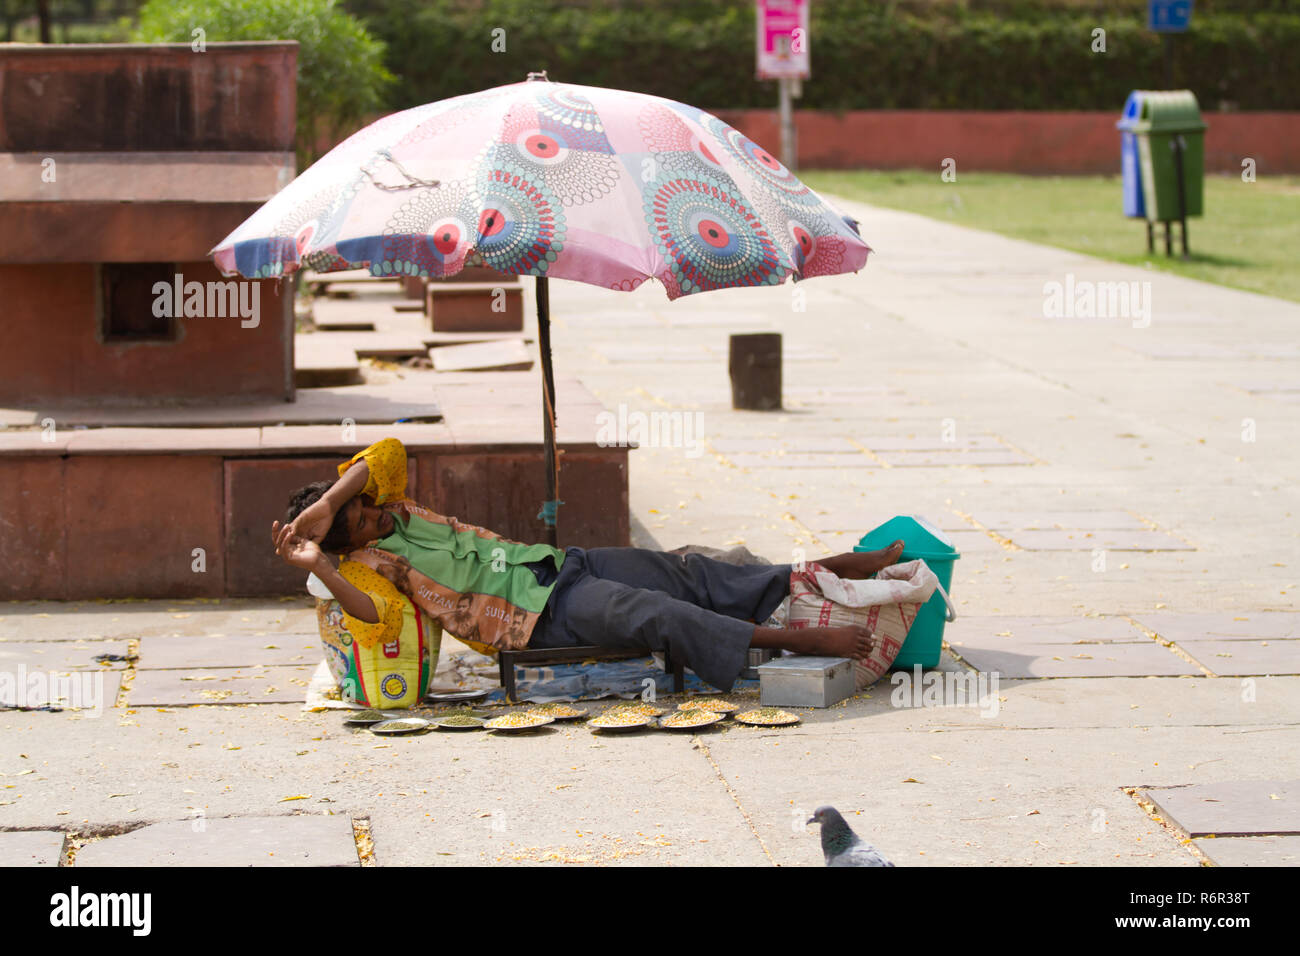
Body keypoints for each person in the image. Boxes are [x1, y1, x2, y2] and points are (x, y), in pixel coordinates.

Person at [271, 437, 904, 691]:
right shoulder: (361, 566)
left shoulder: (396, 505)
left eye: (365, 508)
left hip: (559, 566)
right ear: (346, 544)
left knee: (684, 569)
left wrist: (328, 502)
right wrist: (321, 557)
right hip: (532, 620)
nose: (373, 516)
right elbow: (373, 620)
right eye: (359, 522)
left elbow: (386, 451)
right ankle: (798, 637)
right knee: (652, 613)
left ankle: (820, 569)